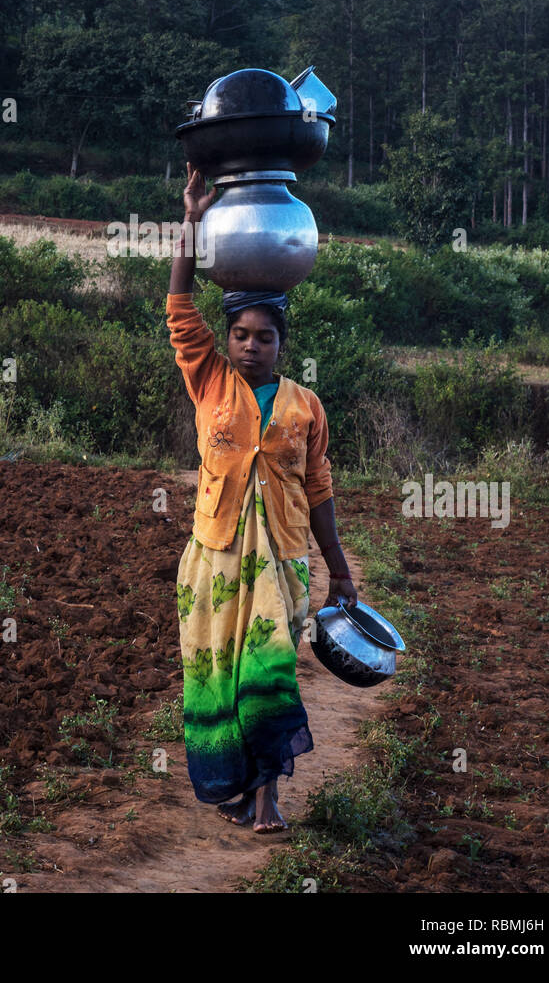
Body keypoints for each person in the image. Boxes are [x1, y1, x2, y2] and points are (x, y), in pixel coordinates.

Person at [167, 163, 357, 833]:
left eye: (264, 336)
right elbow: (178, 306)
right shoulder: (209, 381)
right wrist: (192, 217)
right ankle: (238, 788)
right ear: (228, 340)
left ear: (283, 342)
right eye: (241, 335)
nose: (251, 346)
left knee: (270, 671)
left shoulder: (306, 407)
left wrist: (340, 566)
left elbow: (320, 485)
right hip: (215, 558)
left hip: (281, 558)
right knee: (221, 674)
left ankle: (271, 793)